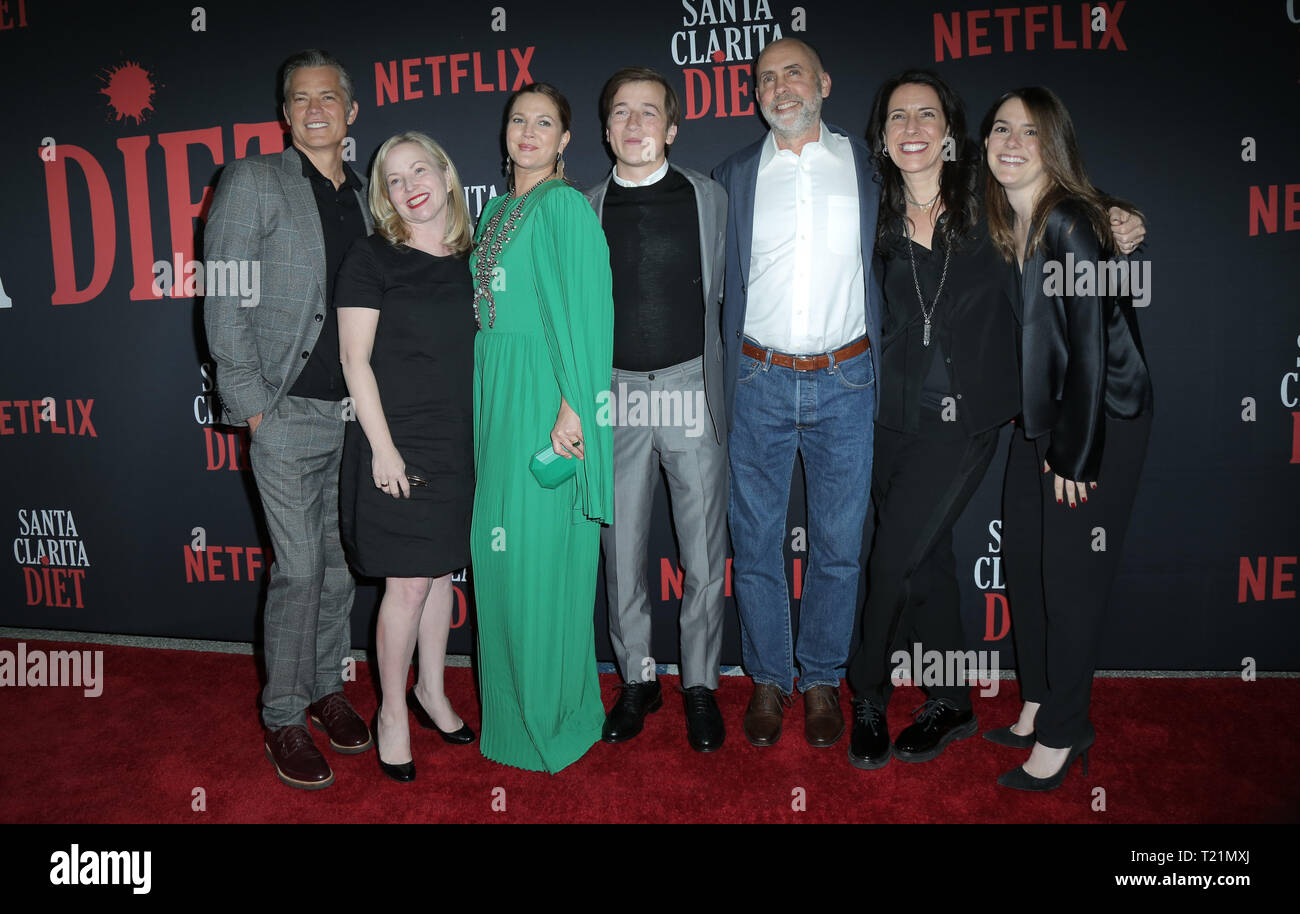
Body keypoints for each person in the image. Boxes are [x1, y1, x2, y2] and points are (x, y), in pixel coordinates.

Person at [844, 72, 1147, 770]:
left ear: (951, 133)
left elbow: (1068, 212)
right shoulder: (869, 213)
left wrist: (1122, 217)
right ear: (882, 136)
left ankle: (864, 691)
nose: (912, 127)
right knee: (926, 566)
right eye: (898, 117)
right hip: (888, 416)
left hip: (968, 421)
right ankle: (950, 701)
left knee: (891, 561)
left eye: (927, 115)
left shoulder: (990, 205)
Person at [204, 49, 372, 790]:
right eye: (300, 98)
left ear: (351, 111)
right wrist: (254, 408)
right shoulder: (254, 180)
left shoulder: (368, 197)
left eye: (328, 97)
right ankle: (281, 715)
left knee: (337, 572)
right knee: (300, 569)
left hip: (355, 416)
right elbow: (223, 295)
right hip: (284, 413)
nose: (314, 109)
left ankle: (324, 690)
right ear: (285, 113)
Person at [982, 87, 1153, 790]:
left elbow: (1088, 348)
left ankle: (1065, 730)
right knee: (1026, 565)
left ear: (1055, 145)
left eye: (1030, 131)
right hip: (1042, 420)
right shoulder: (1006, 223)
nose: (1012, 142)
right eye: (1000, 129)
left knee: (1070, 584)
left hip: (1098, 424)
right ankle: (1036, 701)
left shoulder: (1072, 225)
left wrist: (1076, 456)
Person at [713, 37, 880, 749]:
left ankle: (821, 680)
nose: (779, 87)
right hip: (758, 377)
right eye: (765, 78)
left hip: (849, 377)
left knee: (840, 543)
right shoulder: (733, 176)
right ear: (754, 96)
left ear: (824, 82)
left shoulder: (871, 170)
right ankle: (770, 680)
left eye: (794, 73)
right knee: (754, 541)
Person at [469, 83, 615, 773]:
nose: (528, 131)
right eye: (518, 120)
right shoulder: (497, 208)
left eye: (545, 123)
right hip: (495, 394)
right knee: (497, 555)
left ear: (564, 141)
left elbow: (587, 316)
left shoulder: (564, 208)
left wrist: (574, 406)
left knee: (537, 558)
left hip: (543, 398)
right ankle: (509, 712)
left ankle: (552, 716)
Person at [583, 67, 728, 753]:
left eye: (649, 112)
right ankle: (638, 680)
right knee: (623, 555)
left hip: (691, 387)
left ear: (671, 128)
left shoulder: (714, 200)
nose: (634, 123)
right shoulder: (583, 208)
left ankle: (699, 684)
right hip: (613, 394)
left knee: (704, 552)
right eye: (621, 112)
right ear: (606, 128)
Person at [336, 132, 477, 783]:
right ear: (384, 197)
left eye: (420, 168)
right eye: (393, 179)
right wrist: (383, 450)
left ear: (445, 175)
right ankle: (392, 710)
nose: (409, 183)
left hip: (461, 442)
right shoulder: (372, 257)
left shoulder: (475, 258)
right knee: (408, 583)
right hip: (397, 439)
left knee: (443, 574)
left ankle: (433, 691)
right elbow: (353, 359)